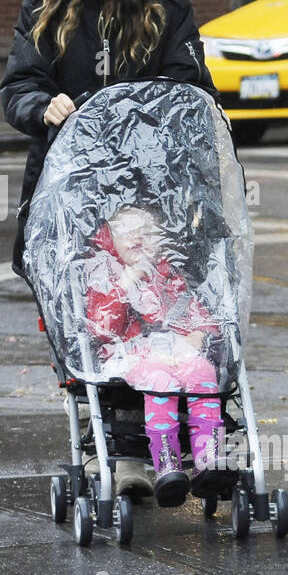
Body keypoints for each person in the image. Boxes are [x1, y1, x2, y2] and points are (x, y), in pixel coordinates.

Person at [1, 0, 219, 498]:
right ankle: (113, 445)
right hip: (67, 195)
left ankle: (174, 436)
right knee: (94, 313)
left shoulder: (164, 10)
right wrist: (44, 105)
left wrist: (149, 124)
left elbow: (192, 93)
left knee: (160, 310)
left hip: (147, 196)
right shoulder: (46, 9)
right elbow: (16, 87)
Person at [85, 207, 230, 507]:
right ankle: (167, 466)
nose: (139, 238)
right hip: (134, 354)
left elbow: (192, 310)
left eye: (148, 233)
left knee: (203, 372)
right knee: (159, 380)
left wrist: (199, 334)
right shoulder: (106, 273)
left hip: (176, 348)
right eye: (129, 232)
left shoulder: (166, 273)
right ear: (111, 239)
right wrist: (129, 279)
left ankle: (209, 460)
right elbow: (101, 327)